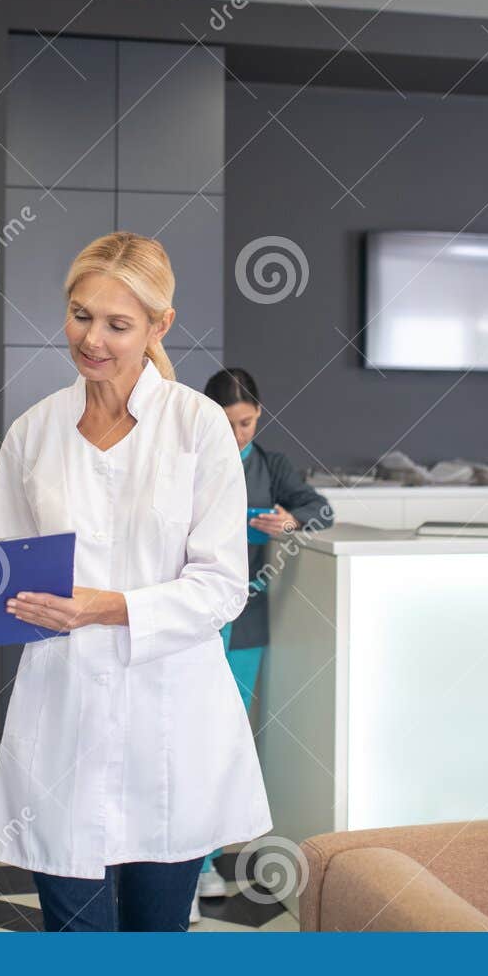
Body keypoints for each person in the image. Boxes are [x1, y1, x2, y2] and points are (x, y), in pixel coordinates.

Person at [0, 231, 271, 931]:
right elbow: (7, 576)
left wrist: (105, 607)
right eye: (81, 315)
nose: (94, 339)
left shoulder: (197, 426)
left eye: (118, 324)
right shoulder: (32, 434)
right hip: (62, 721)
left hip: (168, 728)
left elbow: (222, 585)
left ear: (159, 326)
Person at [194, 367, 333, 906]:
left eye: (247, 423)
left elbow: (319, 508)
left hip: (245, 623)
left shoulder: (272, 466)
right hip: (193, 621)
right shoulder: (186, 461)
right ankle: (174, 862)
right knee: (187, 739)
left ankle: (204, 861)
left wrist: (290, 523)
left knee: (223, 742)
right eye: (227, 424)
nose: (238, 435)